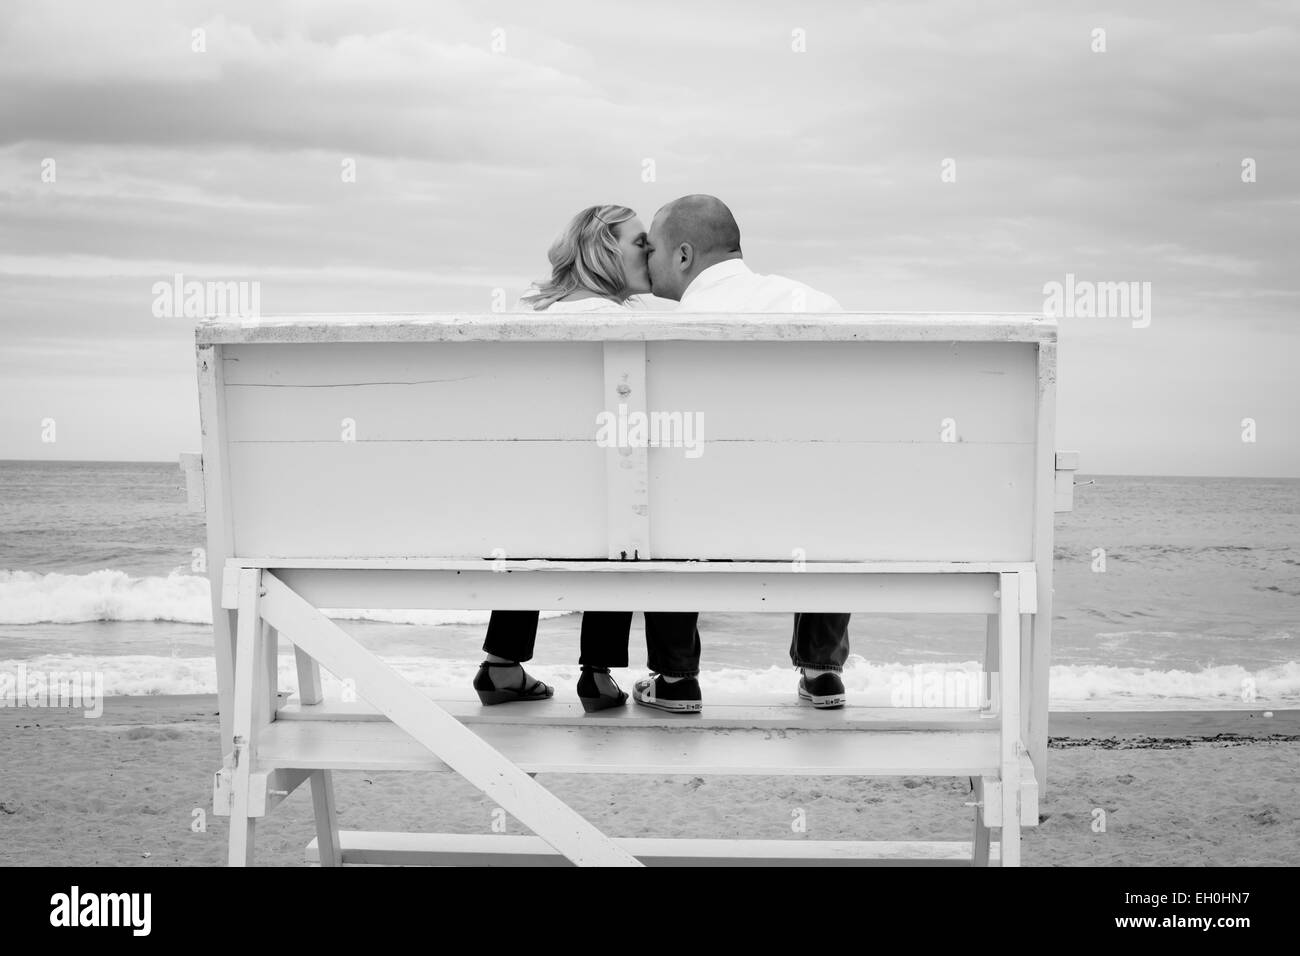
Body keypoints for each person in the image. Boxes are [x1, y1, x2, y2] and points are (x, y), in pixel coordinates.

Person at [474, 204, 703, 713]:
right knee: (623, 502)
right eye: (639, 242)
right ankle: (596, 672)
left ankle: (501, 663)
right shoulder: (629, 327)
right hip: (602, 514)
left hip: (526, 511)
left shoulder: (529, 320)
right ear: (604, 249)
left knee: (552, 495)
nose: (651, 251)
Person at [643, 194, 851, 710]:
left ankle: (676, 678)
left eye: (653, 249)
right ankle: (822, 669)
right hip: (810, 520)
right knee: (830, 486)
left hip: (699, 520)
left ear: (683, 255)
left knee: (664, 491)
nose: (646, 259)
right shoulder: (817, 305)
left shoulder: (664, 331)